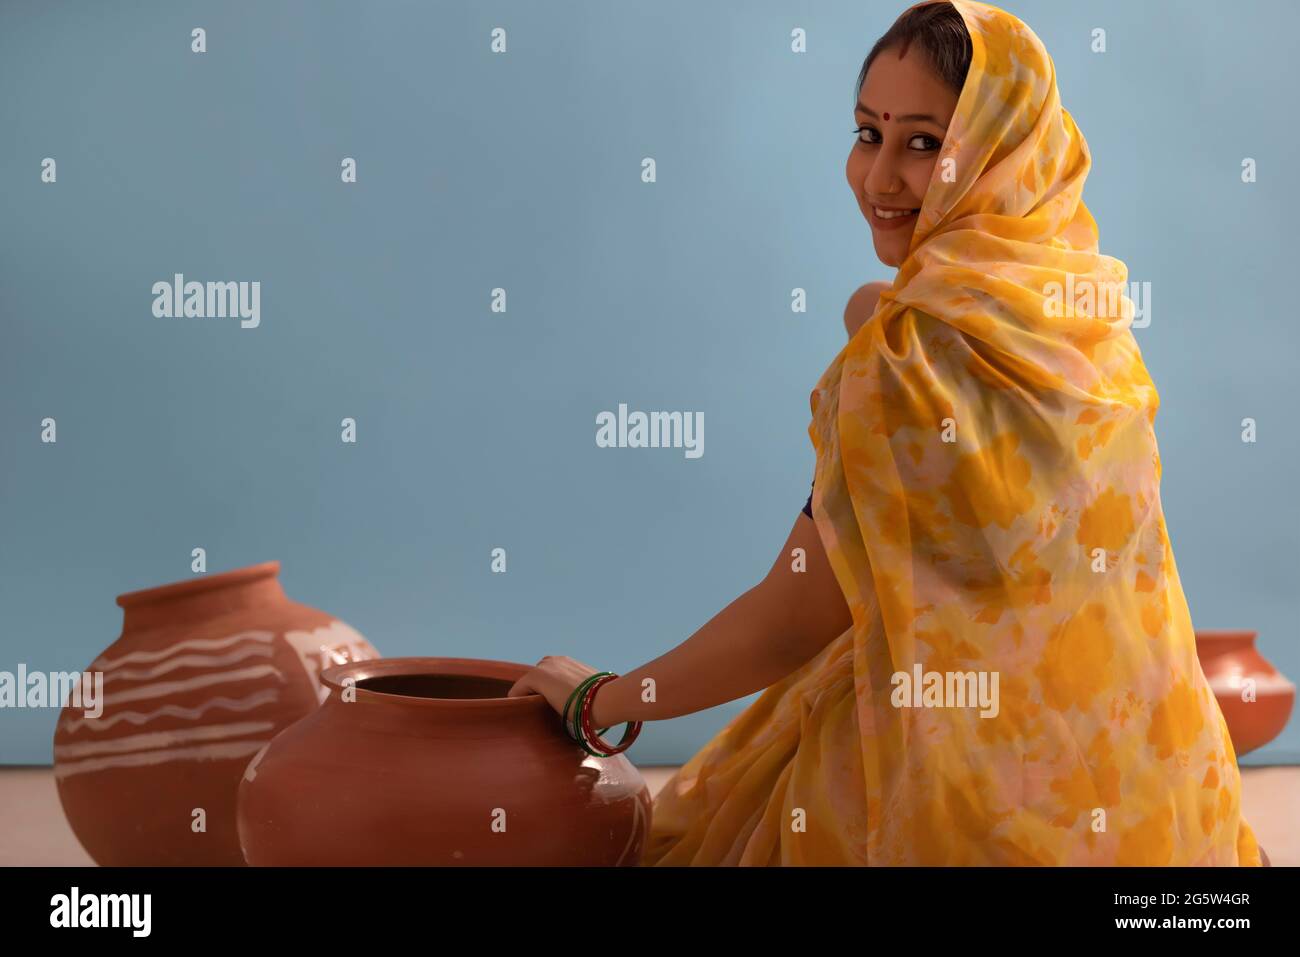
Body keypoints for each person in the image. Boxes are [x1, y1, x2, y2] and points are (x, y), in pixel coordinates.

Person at [507, 0, 1266, 866]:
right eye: (869, 133)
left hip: (948, 805)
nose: (880, 178)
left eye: (924, 142)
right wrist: (880, 310)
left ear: (997, 155)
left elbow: (792, 620)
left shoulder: (906, 364)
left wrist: (601, 701)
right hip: (1153, 806)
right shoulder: (1089, 326)